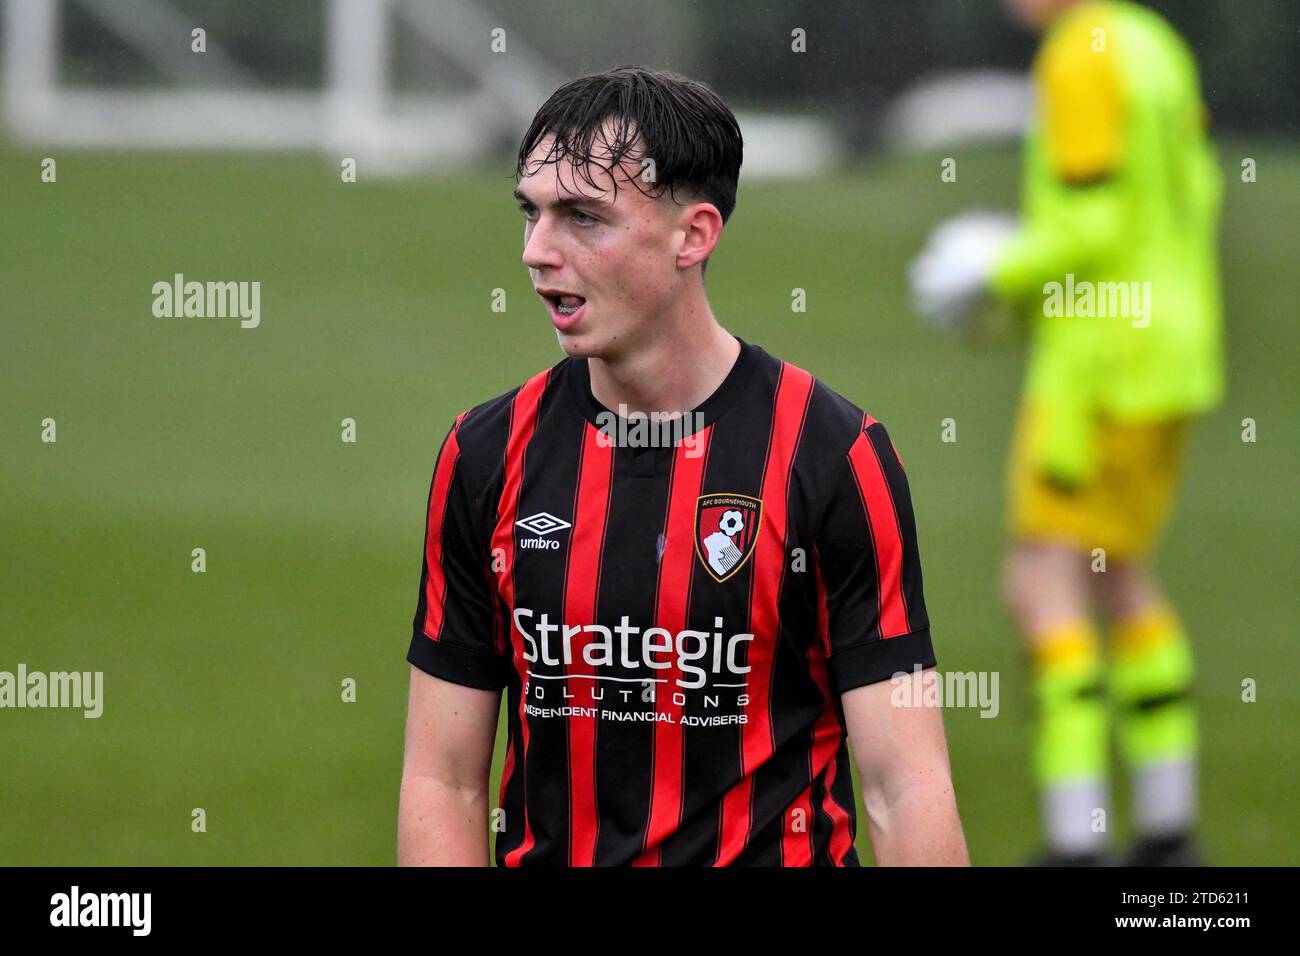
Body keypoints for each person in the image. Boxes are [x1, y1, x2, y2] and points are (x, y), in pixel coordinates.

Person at [398, 66, 968, 866]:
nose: (535, 252)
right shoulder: (484, 454)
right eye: (531, 212)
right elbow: (444, 780)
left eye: (582, 218)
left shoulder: (833, 456)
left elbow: (904, 786)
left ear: (693, 235)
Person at [910, 0, 1224, 865]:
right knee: (1120, 576)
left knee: (1042, 582)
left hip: (1099, 371)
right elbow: (1186, 194)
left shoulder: (1079, 56)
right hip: (1176, 353)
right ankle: (1167, 833)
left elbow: (1096, 223)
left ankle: (1074, 841)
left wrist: (994, 265)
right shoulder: (1152, 42)